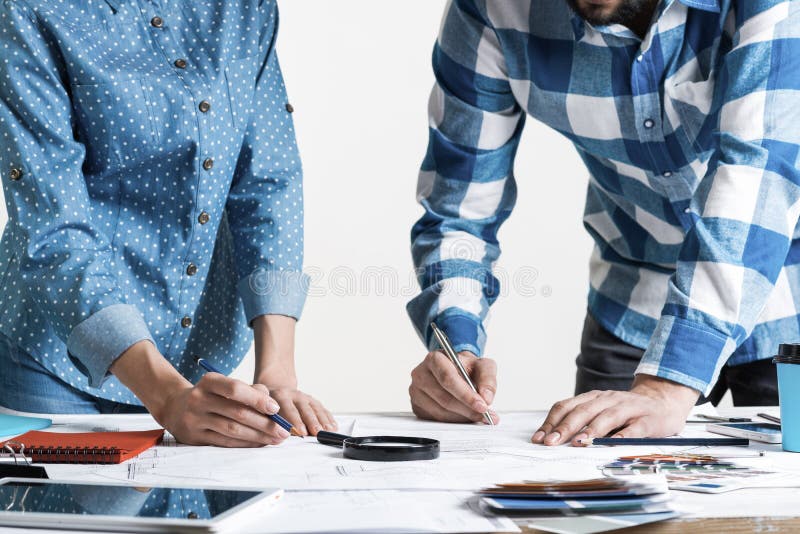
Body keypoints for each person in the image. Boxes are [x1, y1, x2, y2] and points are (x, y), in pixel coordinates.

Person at [407, 0, 800, 445]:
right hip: (632, 299)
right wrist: (454, 343)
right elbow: (459, 210)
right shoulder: (489, 10)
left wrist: (666, 385)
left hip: (791, 298)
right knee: (595, 499)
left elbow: (758, 178)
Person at [0, 0, 335, 446]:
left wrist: (276, 374)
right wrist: (166, 395)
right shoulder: (28, 9)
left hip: (201, 361)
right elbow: (54, 224)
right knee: (77, 517)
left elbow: (268, 184)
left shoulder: (243, 9)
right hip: (56, 361)